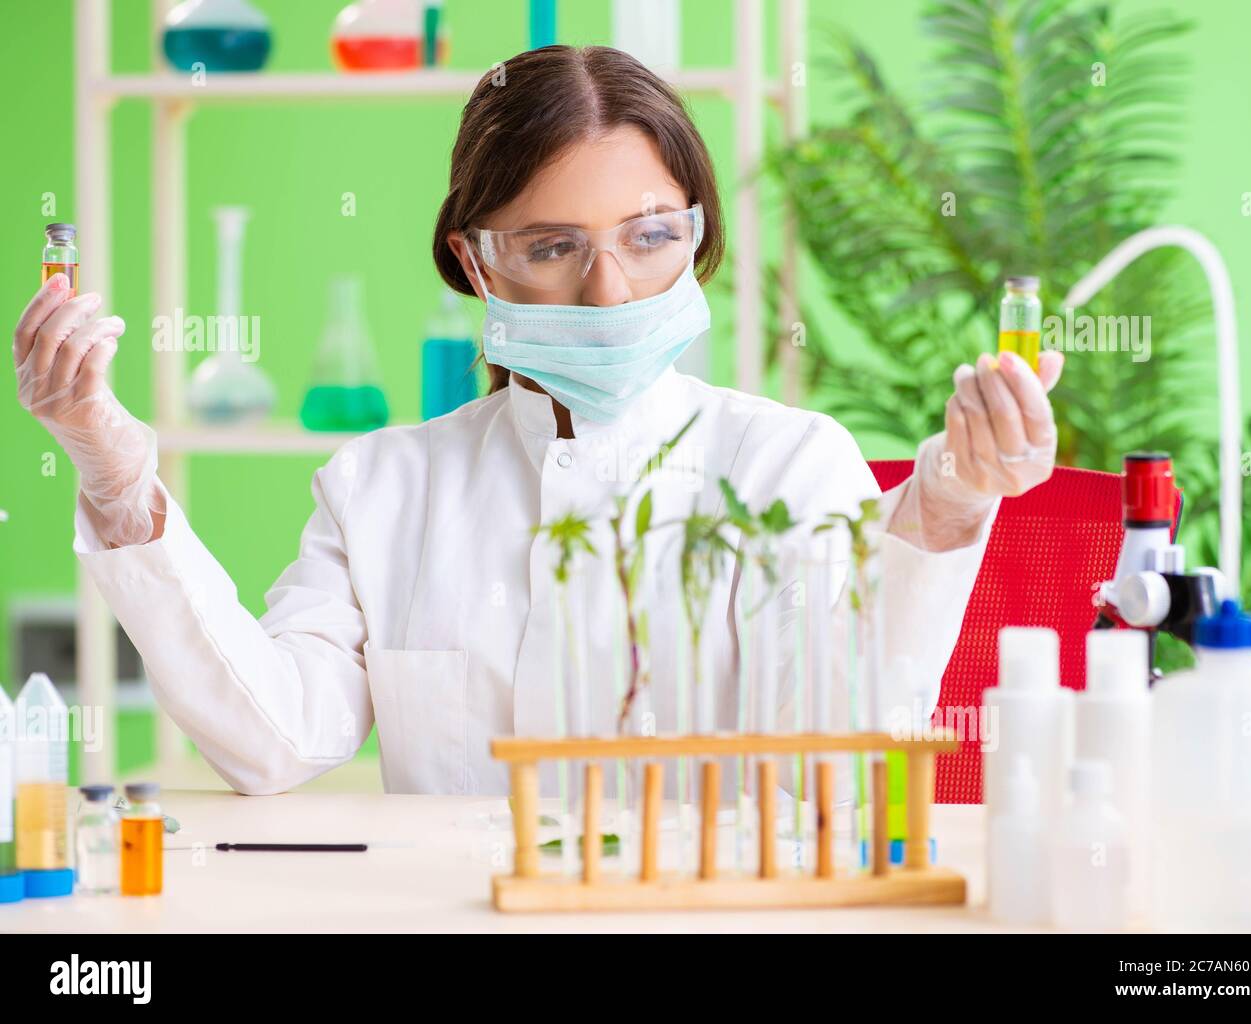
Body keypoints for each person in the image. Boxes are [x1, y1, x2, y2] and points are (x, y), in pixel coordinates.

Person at [11, 46, 1062, 796]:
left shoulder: (788, 461)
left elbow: (851, 740)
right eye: (554, 248)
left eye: (650, 236)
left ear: (694, 234)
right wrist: (114, 479)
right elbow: (275, 738)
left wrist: (947, 499)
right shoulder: (385, 487)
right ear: (475, 261)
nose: (611, 291)